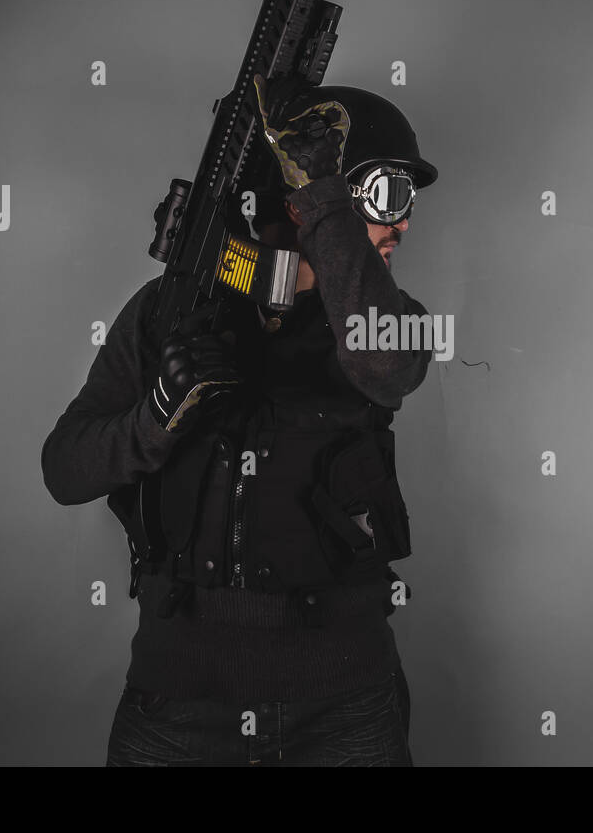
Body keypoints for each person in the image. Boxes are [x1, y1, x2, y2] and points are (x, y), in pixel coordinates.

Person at [40, 76, 438, 766]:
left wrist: (321, 191)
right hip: (178, 706)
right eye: (386, 196)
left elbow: (387, 369)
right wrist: (158, 416)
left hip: (346, 709)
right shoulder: (169, 310)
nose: (402, 223)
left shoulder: (384, 325)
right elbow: (64, 468)